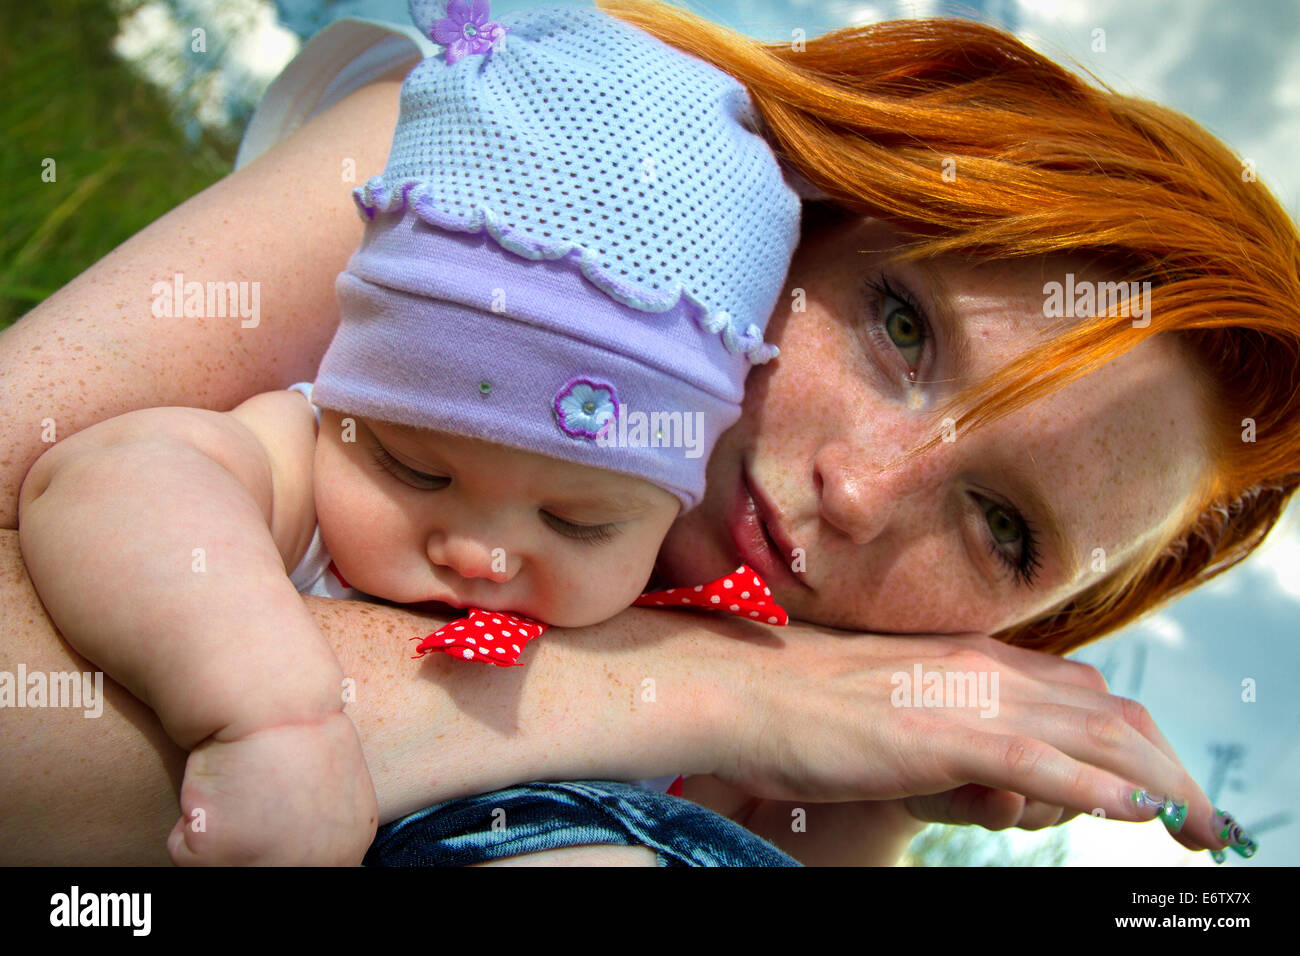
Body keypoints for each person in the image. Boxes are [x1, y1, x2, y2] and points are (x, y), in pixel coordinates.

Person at [1, 0, 1293, 865]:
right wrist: (709, 690)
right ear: (801, 218)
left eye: (1006, 529)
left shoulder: (851, 755)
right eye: (900, 326)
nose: (857, 490)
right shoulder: (490, 201)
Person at [16, 1, 803, 865]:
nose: (479, 554)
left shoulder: (660, 627)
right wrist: (269, 712)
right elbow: (108, 478)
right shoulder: (299, 467)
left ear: (663, 519)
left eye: (578, 523)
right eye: (412, 469)